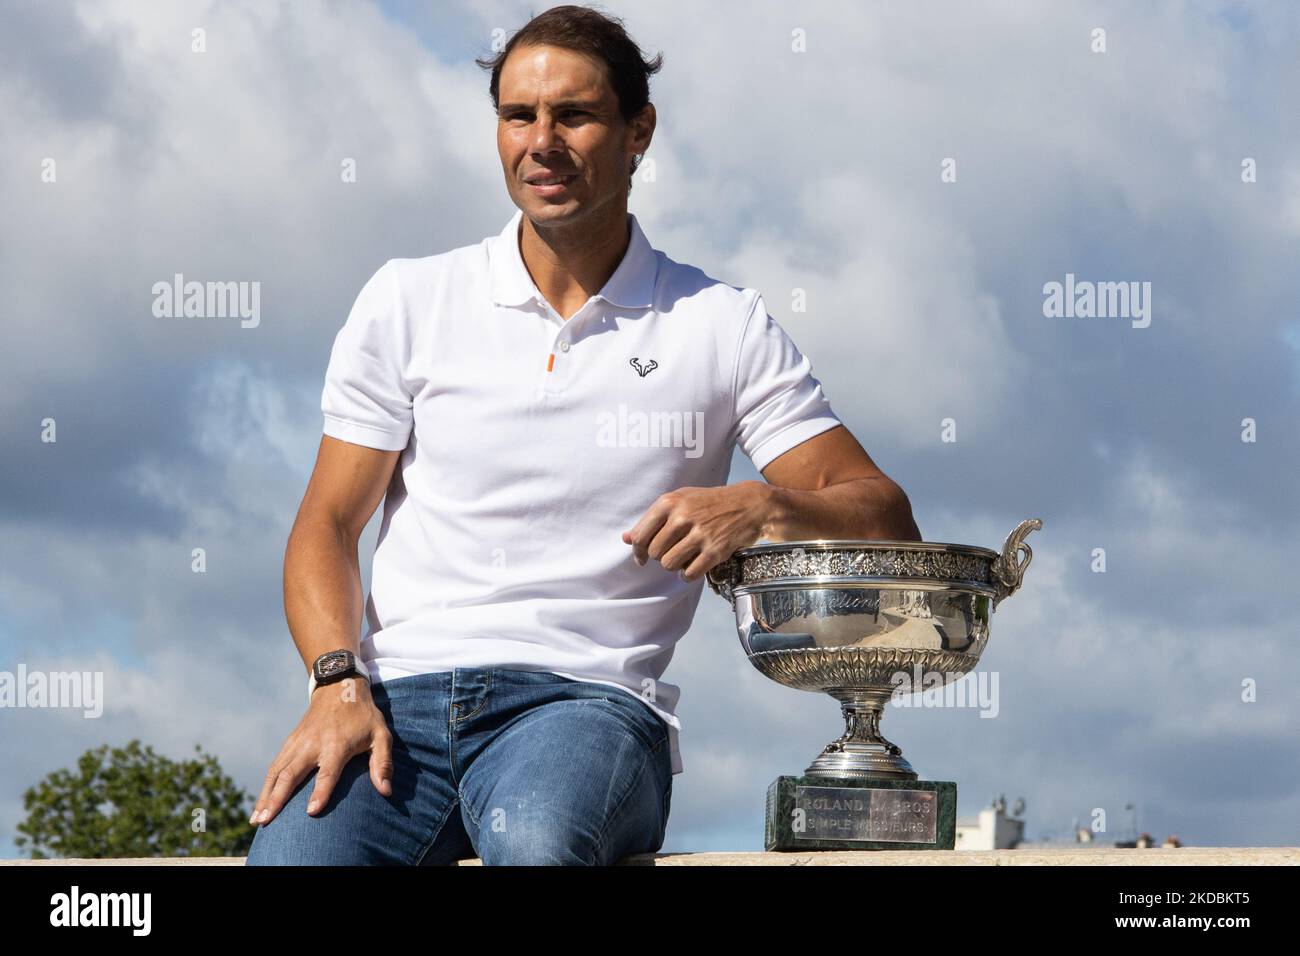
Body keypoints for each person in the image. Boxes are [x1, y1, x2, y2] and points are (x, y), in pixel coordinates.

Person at [246, 3, 920, 866]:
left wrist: (760, 507)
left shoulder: (721, 323)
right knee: (291, 863)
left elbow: (885, 515)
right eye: (517, 116)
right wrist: (336, 682)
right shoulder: (409, 298)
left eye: (574, 114)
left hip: (587, 707)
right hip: (391, 704)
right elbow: (326, 526)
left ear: (639, 130)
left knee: (537, 843)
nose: (541, 141)